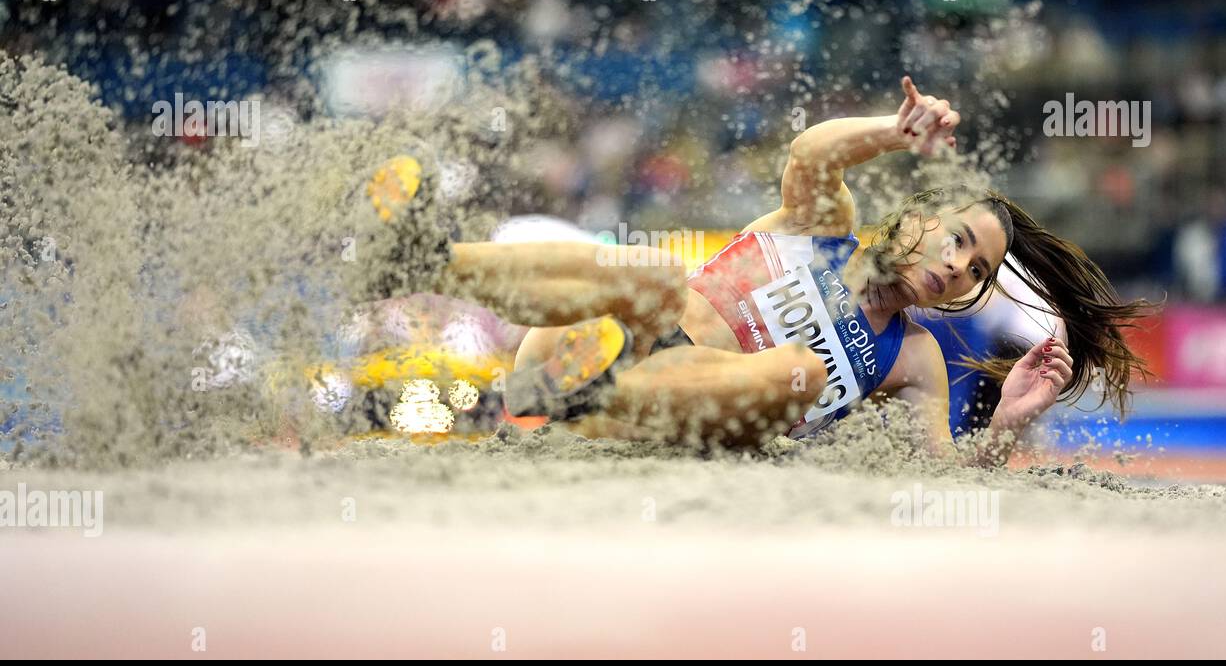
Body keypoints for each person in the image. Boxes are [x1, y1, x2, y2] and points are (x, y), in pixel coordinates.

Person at [358, 78, 1150, 465]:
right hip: (579, 356)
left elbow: (943, 485)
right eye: (956, 239)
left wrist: (1007, 425)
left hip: (655, 425)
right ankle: (426, 258)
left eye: (976, 267)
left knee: (804, 370)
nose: (956, 266)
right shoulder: (826, 227)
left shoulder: (912, 362)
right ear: (915, 217)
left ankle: (538, 416)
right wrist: (891, 129)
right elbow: (810, 153)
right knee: (659, 278)